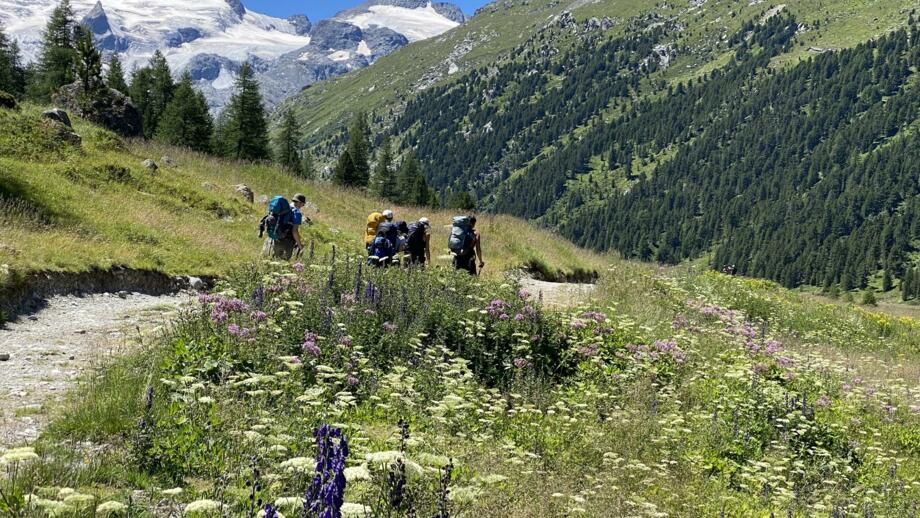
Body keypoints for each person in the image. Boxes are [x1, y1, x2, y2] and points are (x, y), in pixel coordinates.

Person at [269, 193, 307, 260]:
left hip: (276, 237)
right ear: (299, 202)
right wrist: (299, 245)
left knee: (274, 259)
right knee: (284, 261)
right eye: (303, 204)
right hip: (287, 241)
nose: (303, 206)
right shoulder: (296, 213)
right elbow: (294, 231)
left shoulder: (283, 209)